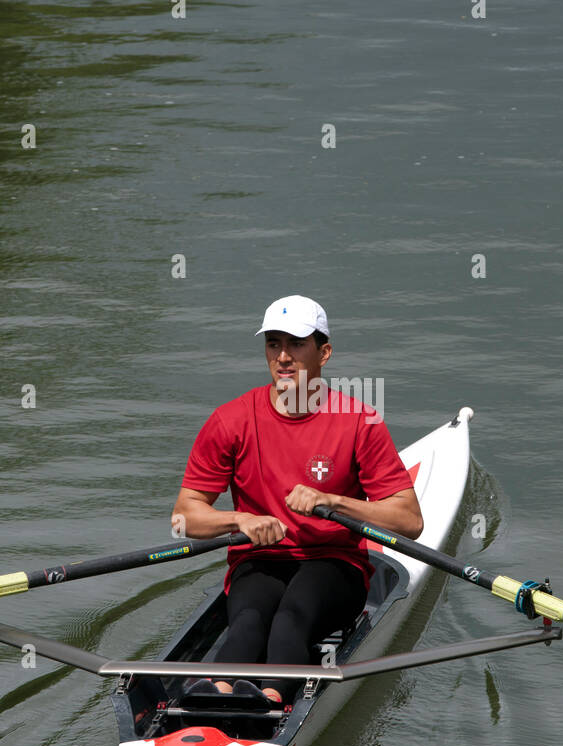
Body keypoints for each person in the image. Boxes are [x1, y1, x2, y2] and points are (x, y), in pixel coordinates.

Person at [171, 295, 423, 704]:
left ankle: (269, 700)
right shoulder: (230, 421)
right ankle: (213, 697)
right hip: (260, 558)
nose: (283, 357)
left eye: (297, 344)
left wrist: (334, 501)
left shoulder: (359, 421)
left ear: (324, 352)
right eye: (273, 344)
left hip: (334, 563)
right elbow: (184, 518)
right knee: (248, 624)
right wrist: (240, 520)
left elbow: (409, 520)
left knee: (291, 620)